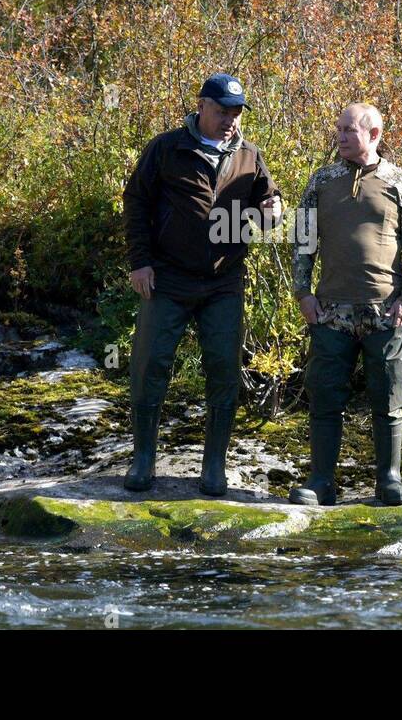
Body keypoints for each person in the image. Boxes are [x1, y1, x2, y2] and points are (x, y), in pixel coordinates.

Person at [121, 73, 282, 495]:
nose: (230, 119)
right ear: (201, 106)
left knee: (223, 371)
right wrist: (140, 263)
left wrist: (274, 211)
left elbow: (270, 202)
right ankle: (143, 460)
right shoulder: (166, 147)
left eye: (236, 112)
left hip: (224, 282)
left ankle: (214, 466)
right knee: (149, 366)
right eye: (222, 110)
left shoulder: (250, 154)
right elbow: (135, 201)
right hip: (168, 278)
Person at [289, 103, 402, 506]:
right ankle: (321, 483)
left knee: (388, 398)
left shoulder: (401, 182)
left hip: (386, 311)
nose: (340, 136)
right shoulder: (322, 181)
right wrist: (303, 294)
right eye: (338, 129)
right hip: (330, 312)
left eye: (349, 130)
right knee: (324, 397)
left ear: (374, 134)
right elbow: (303, 240)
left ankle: (389, 481)